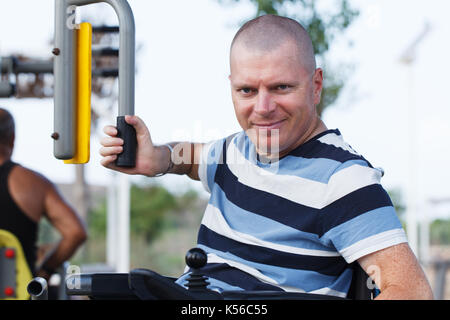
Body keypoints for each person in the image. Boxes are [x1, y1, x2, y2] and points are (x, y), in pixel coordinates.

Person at [99, 15, 433, 299]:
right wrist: (159, 158)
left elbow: (409, 289)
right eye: (247, 90)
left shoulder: (343, 180)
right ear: (231, 87)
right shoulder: (234, 151)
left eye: (281, 88)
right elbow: (190, 158)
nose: (262, 108)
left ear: (316, 85)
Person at [0, 107, 87, 281]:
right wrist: (46, 269)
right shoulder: (31, 183)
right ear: (12, 139)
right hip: (19, 293)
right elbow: (76, 232)